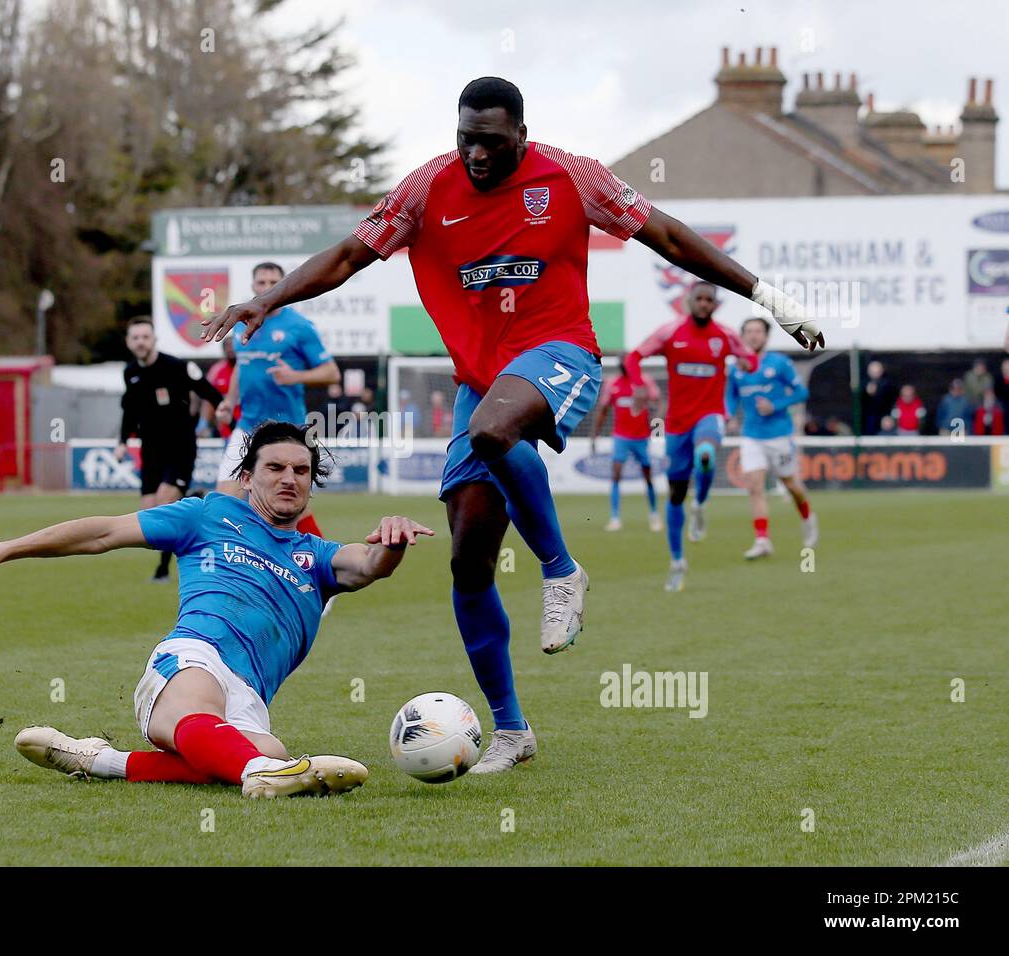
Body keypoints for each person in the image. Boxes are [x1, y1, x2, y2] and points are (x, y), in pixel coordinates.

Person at [199, 76, 822, 772]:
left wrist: (765, 295)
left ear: (520, 136)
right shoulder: (424, 189)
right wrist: (268, 302)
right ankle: (512, 731)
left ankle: (561, 570)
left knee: (495, 432)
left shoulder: (572, 176)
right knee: (468, 561)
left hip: (561, 352)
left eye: (491, 142)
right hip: (479, 381)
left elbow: (670, 237)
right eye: (466, 139)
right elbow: (348, 256)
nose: (476, 155)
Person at [0, 422, 434, 798]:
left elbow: (369, 564)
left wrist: (391, 540)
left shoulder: (317, 557)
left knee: (269, 752)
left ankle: (103, 761)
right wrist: (2, 550)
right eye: (275, 468)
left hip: (250, 692)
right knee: (215, 721)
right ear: (247, 476)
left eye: (300, 471)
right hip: (195, 656)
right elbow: (102, 533)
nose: (289, 479)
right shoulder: (207, 514)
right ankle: (257, 774)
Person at [625, 283, 758, 591]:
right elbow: (633, 357)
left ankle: (700, 505)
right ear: (688, 302)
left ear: (715, 304)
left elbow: (751, 361)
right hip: (677, 424)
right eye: (698, 298)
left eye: (708, 299)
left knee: (706, 456)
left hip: (710, 416)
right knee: (674, 494)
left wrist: (745, 362)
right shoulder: (670, 333)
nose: (703, 303)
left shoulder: (725, 335)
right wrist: (639, 385)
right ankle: (676, 561)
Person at [214, 261, 341, 547]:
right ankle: (235, 571)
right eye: (261, 282)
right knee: (224, 501)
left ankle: (325, 572)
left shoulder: (299, 327)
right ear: (253, 287)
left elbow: (331, 373)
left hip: (288, 431)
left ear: (285, 287)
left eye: (274, 282)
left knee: (294, 508)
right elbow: (241, 367)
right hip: (247, 426)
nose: (267, 288)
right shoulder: (242, 323)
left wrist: (295, 375)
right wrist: (229, 401)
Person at [116, 316, 226, 582]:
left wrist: (222, 407)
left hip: (180, 446)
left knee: (165, 504)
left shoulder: (175, 366)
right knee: (149, 511)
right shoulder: (130, 372)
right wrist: (122, 441)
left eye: (145, 336)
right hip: (151, 449)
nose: (141, 342)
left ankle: (163, 569)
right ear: (129, 343)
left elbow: (206, 389)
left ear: (154, 339)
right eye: (135, 338)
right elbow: (130, 412)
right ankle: (192, 496)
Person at [725, 317, 817, 560]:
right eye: (749, 332)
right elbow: (731, 396)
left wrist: (775, 405)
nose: (753, 336)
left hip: (779, 435)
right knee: (755, 486)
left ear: (766, 336)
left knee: (790, 484)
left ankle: (807, 518)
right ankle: (762, 540)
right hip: (751, 436)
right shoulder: (736, 366)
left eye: (758, 331)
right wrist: (729, 414)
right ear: (743, 336)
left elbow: (801, 392)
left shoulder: (779, 363)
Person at [588, 358, 661, 532]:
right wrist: (594, 435)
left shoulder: (645, 381)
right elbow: (603, 410)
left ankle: (654, 514)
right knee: (616, 474)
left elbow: (659, 403)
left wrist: (657, 428)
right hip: (621, 436)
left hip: (641, 438)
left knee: (648, 475)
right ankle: (615, 518)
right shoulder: (612, 384)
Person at [861, 361, 895, 436]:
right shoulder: (863, 382)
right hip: (866, 419)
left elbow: (890, 400)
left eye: (877, 371)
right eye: (873, 372)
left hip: (882, 418)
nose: (875, 374)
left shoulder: (887, 383)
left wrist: (888, 416)